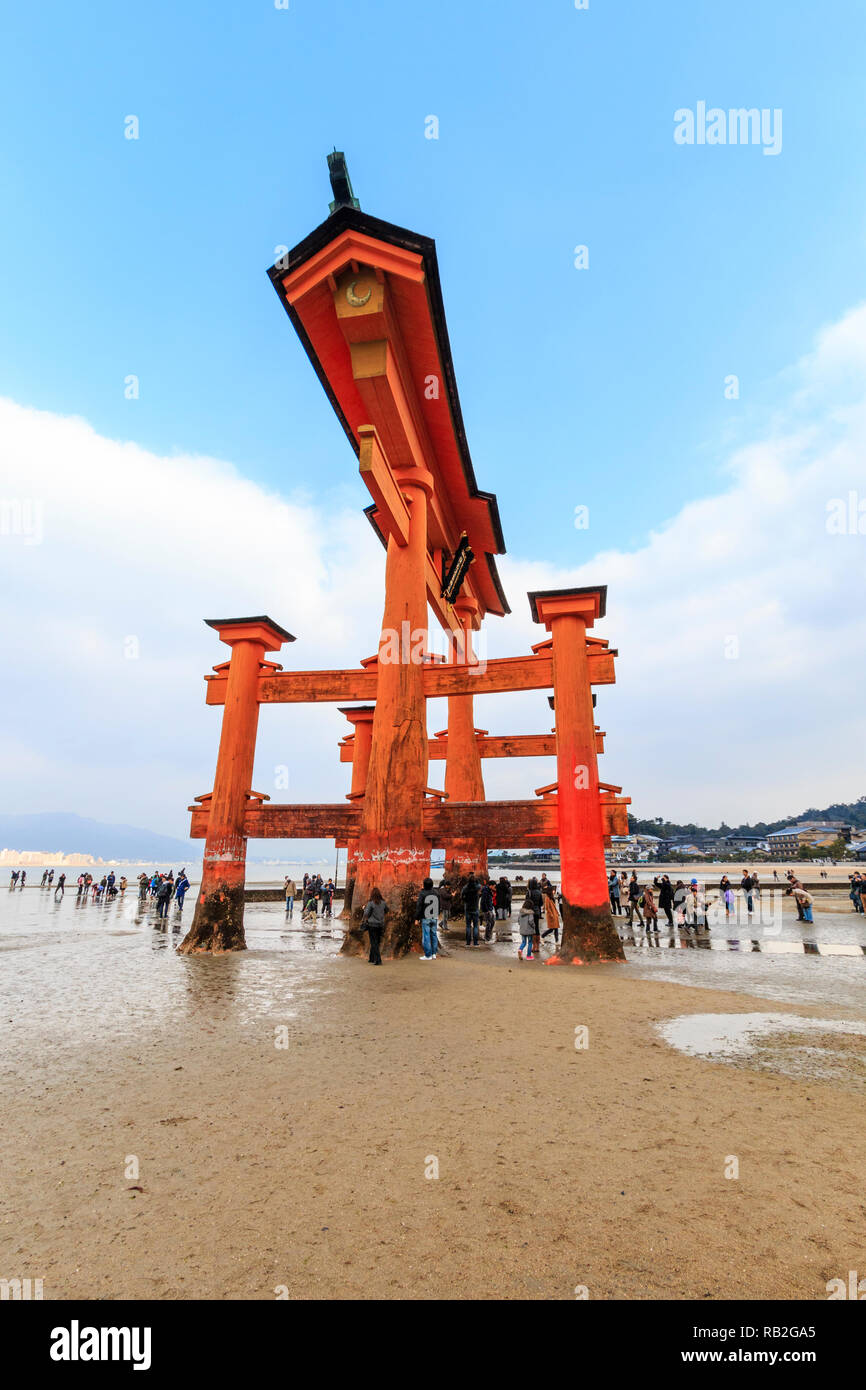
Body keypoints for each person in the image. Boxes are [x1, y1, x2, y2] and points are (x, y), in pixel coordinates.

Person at [414, 878, 440, 960]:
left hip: (426, 917)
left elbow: (419, 907)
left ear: (424, 885)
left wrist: (416, 918)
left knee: (426, 936)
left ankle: (428, 955)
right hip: (434, 917)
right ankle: (434, 954)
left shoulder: (422, 893)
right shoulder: (436, 893)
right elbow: (439, 905)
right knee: (434, 935)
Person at [361, 887, 388, 965]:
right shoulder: (383, 903)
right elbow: (386, 910)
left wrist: (364, 908)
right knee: (377, 942)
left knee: (374, 942)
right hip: (381, 924)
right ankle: (371, 958)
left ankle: (378, 960)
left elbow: (366, 914)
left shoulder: (371, 903)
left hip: (372, 925)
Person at [462, 875, 480, 947]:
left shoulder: (465, 888)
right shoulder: (477, 887)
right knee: (475, 926)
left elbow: (462, 896)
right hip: (475, 908)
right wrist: (477, 881)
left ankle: (468, 943)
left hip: (468, 908)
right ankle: (475, 943)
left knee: (468, 926)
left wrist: (465, 901)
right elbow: (479, 885)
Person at [541, 881, 560, 945]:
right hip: (551, 915)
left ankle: (557, 941)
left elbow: (554, 906)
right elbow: (547, 907)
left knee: (556, 928)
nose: (553, 891)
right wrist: (551, 914)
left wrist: (557, 913)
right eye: (551, 890)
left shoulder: (551, 897)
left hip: (554, 914)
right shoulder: (547, 898)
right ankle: (542, 936)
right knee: (552, 929)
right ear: (549, 891)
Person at [517, 896, 536, 960]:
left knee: (524, 942)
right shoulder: (530, 913)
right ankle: (528, 956)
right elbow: (531, 921)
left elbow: (518, 920)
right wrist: (534, 926)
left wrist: (521, 925)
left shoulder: (521, 912)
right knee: (530, 942)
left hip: (522, 929)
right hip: (529, 930)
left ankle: (520, 949)